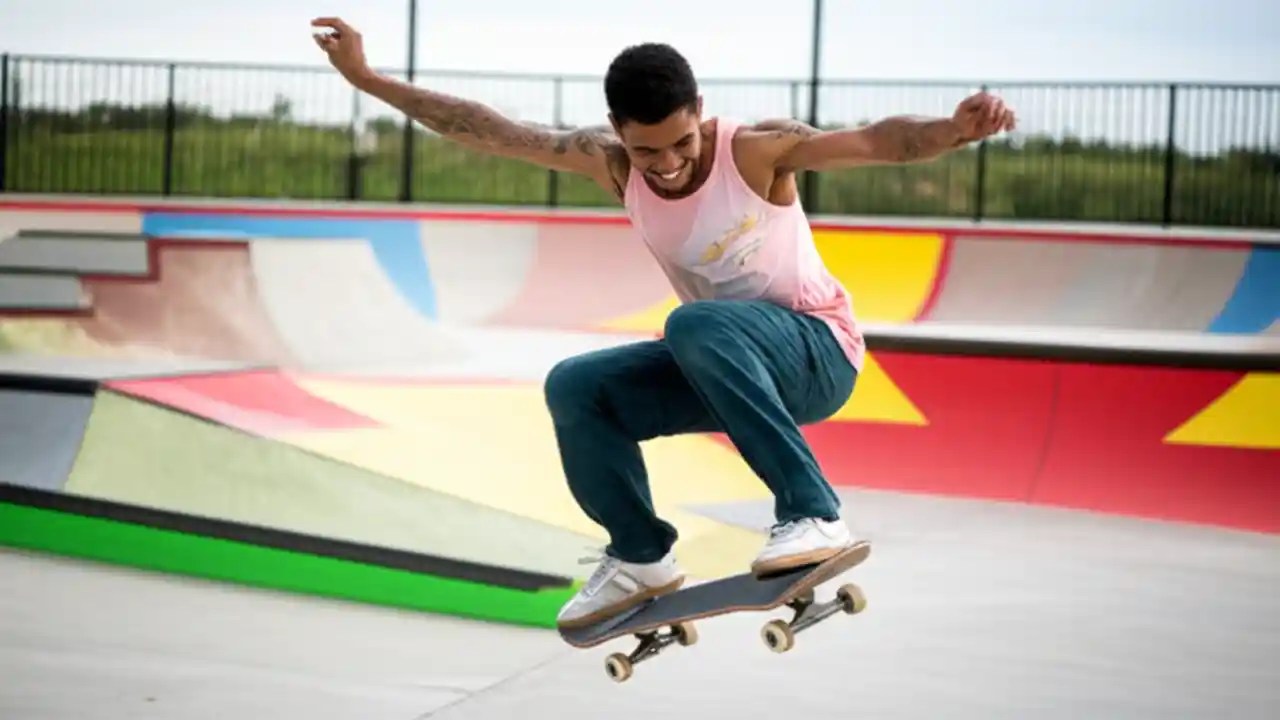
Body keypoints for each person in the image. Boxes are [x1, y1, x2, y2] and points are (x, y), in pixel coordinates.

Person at [312, 17, 1016, 629]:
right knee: (577, 387)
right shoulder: (611, 164)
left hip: (817, 354)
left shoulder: (756, 149)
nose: (670, 165)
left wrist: (954, 131)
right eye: (648, 152)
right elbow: (491, 130)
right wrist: (369, 80)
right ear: (618, 133)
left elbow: (876, 142)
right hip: (724, 366)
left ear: (698, 112)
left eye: (682, 143)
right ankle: (640, 556)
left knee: (695, 324)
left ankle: (812, 512)